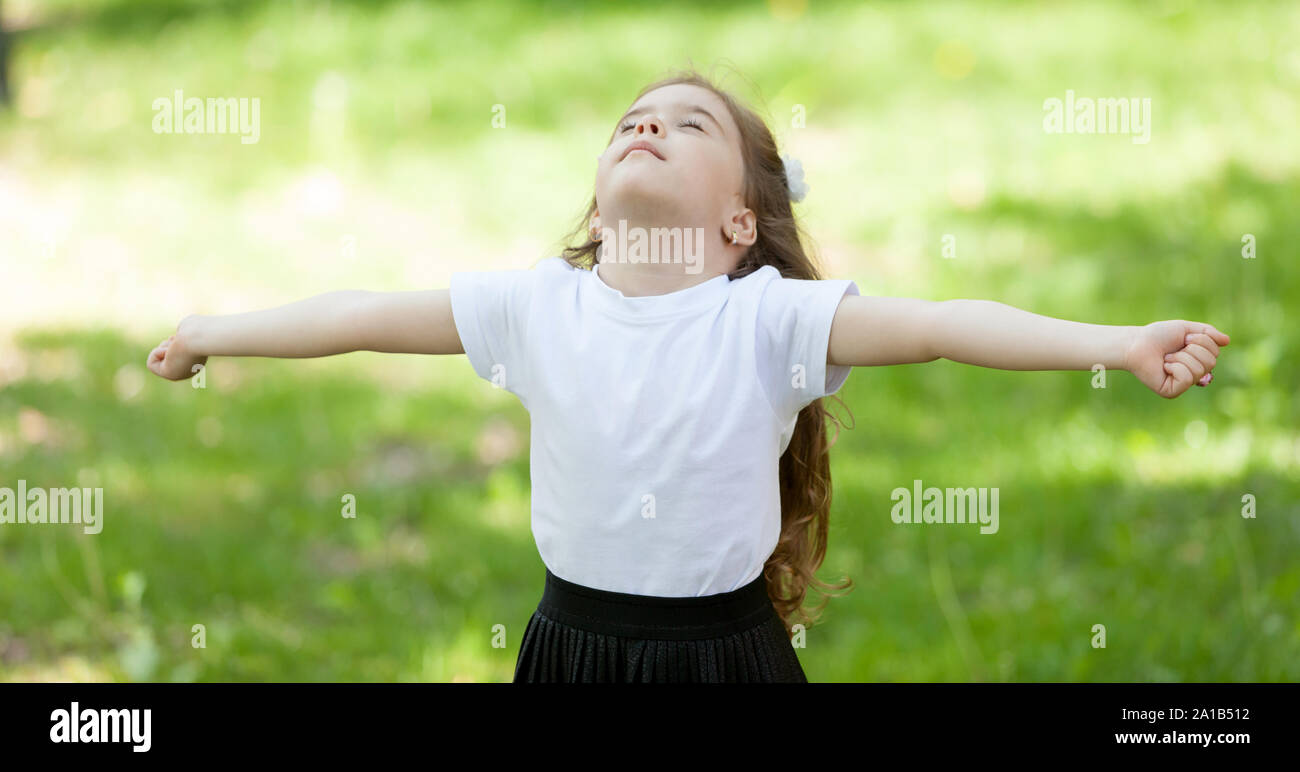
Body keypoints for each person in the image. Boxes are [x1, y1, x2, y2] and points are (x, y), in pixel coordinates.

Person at [146, 68, 1229, 682]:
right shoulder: (539, 305)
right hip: (566, 650)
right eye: (630, 119)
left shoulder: (768, 319)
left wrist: (1113, 341)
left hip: (723, 663)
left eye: (686, 120)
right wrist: (213, 329)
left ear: (737, 218)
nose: (646, 123)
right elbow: (362, 315)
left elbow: (945, 323)